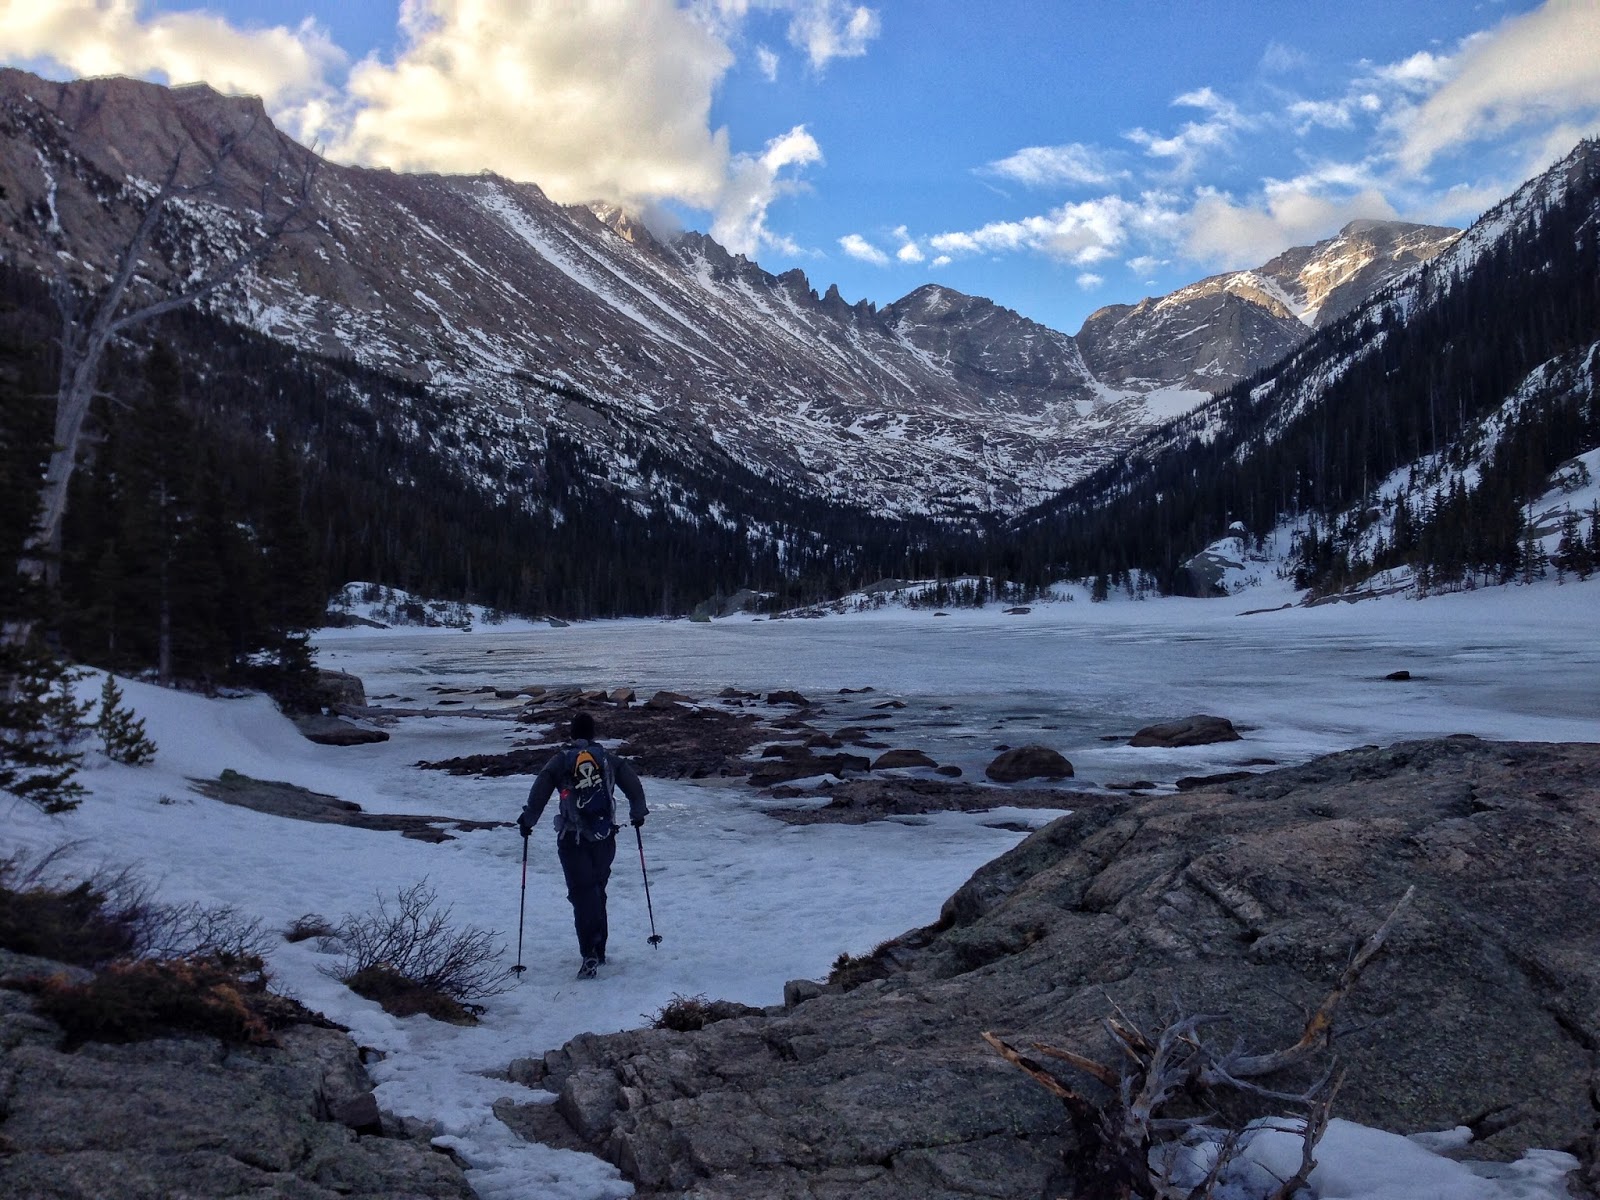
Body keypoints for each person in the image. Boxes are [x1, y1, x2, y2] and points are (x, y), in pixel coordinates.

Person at [517, 710, 648, 979]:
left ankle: (589, 952)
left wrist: (528, 821)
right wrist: (638, 813)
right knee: (598, 890)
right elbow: (633, 786)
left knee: (582, 894)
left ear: (571, 733)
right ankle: (599, 950)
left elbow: (541, 788)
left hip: (572, 839)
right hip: (605, 838)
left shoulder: (561, 761)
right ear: (593, 733)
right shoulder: (608, 760)